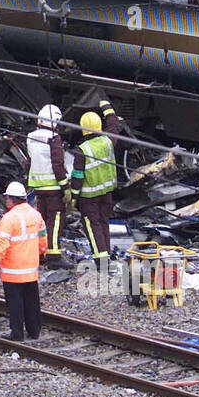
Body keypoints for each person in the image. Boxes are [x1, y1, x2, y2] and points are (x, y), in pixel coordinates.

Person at [0, 182, 47, 341]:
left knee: (15, 304)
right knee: (32, 302)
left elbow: (1, 244)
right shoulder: (36, 215)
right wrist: (42, 252)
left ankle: (17, 334)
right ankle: (34, 332)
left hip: (12, 271)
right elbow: (42, 238)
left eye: (6, 198)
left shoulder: (9, 218)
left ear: (11, 199)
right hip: (30, 270)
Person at [68, 99, 122, 271]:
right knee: (104, 221)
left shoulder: (82, 150)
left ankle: (101, 260)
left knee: (93, 225)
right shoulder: (108, 141)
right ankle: (106, 254)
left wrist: (73, 198)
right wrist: (107, 108)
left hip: (88, 197)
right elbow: (114, 125)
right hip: (106, 192)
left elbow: (77, 177)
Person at [26, 103, 69, 265]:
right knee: (55, 220)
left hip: (38, 187)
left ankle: (39, 253)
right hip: (53, 188)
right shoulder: (53, 138)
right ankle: (54, 256)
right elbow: (57, 165)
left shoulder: (31, 136)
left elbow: (28, 162)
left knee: (41, 221)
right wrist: (65, 187)